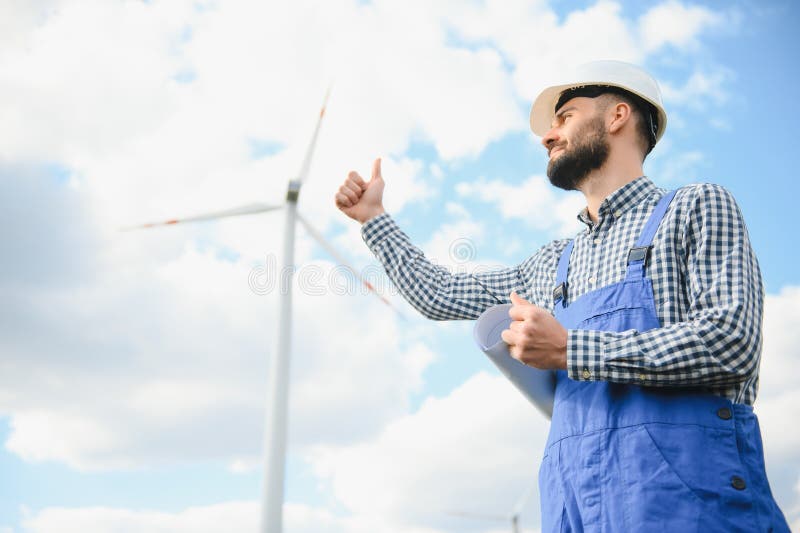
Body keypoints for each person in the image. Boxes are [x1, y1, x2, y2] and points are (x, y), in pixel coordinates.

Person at [334, 60, 789, 532]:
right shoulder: (552, 263)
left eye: (565, 117)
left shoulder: (695, 207)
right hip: (577, 507)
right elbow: (438, 294)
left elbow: (729, 343)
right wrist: (373, 219)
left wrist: (571, 349)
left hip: (691, 508)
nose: (547, 137)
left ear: (617, 116)